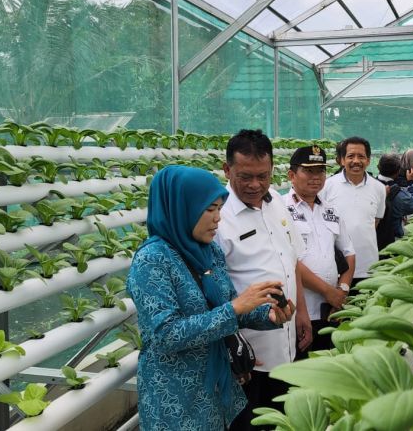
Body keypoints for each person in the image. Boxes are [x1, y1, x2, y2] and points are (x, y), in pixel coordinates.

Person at [127, 166, 295, 431]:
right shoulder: (153, 260)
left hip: (217, 390)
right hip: (177, 399)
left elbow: (230, 307)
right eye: (210, 210)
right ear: (182, 208)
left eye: (220, 208)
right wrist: (235, 308)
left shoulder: (210, 252)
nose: (218, 218)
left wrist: (268, 315)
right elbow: (166, 334)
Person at [215, 129, 312, 431]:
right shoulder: (218, 216)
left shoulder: (277, 204)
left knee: (281, 418)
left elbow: (291, 259)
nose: (255, 185)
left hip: (285, 343)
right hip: (248, 354)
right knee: (250, 422)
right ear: (227, 169)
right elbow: (215, 291)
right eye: (245, 176)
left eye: (263, 175)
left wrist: (303, 313)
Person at [282, 145, 356, 358]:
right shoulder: (282, 209)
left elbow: (349, 253)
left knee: (328, 364)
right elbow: (290, 260)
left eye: (321, 171)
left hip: (330, 310)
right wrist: (328, 291)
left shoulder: (330, 210)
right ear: (291, 175)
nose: (316, 177)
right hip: (299, 311)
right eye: (309, 171)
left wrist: (341, 291)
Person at [320, 136, 386, 286]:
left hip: (367, 267)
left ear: (368, 160)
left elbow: (375, 222)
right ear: (342, 160)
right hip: (336, 266)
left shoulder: (379, 189)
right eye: (350, 156)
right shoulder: (327, 186)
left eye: (361, 156)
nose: (356, 161)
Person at [375, 154, 413, 250]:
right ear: (398, 171)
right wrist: (411, 183)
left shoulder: (371, 185)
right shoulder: (399, 195)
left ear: (378, 167)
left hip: (373, 238)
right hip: (392, 240)